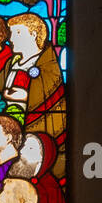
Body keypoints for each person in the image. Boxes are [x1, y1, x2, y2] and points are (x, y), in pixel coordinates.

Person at [4, 13, 66, 178]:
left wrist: (26, 96)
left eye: (17, 33)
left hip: (35, 129)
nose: (11, 38)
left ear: (33, 34)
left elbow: (53, 96)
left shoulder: (47, 63)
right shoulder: (12, 63)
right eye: (11, 33)